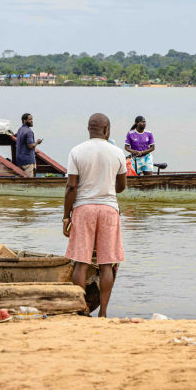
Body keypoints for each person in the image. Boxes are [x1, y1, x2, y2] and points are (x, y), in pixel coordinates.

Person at [62, 113, 127, 318]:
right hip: (109, 210)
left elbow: (71, 187)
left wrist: (66, 216)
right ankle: (103, 313)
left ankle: (80, 310)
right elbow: (121, 186)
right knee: (107, 264)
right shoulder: (117, 152)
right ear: (107, 130)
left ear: (89, 129)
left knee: (81, 263)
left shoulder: (77, 151)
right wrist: (106, 188)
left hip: (83, 209)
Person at [15, 113, 42, 177]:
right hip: (28, 162)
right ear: (24, 120)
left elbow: (23, 144)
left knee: (20, 182)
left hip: (19, 161)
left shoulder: (19, 130)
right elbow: (30, 146)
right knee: (30, 181)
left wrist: (33, 151)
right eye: (30, 119)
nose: (31, 121)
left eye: (32, 119)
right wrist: (37, 142)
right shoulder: (29, 131)